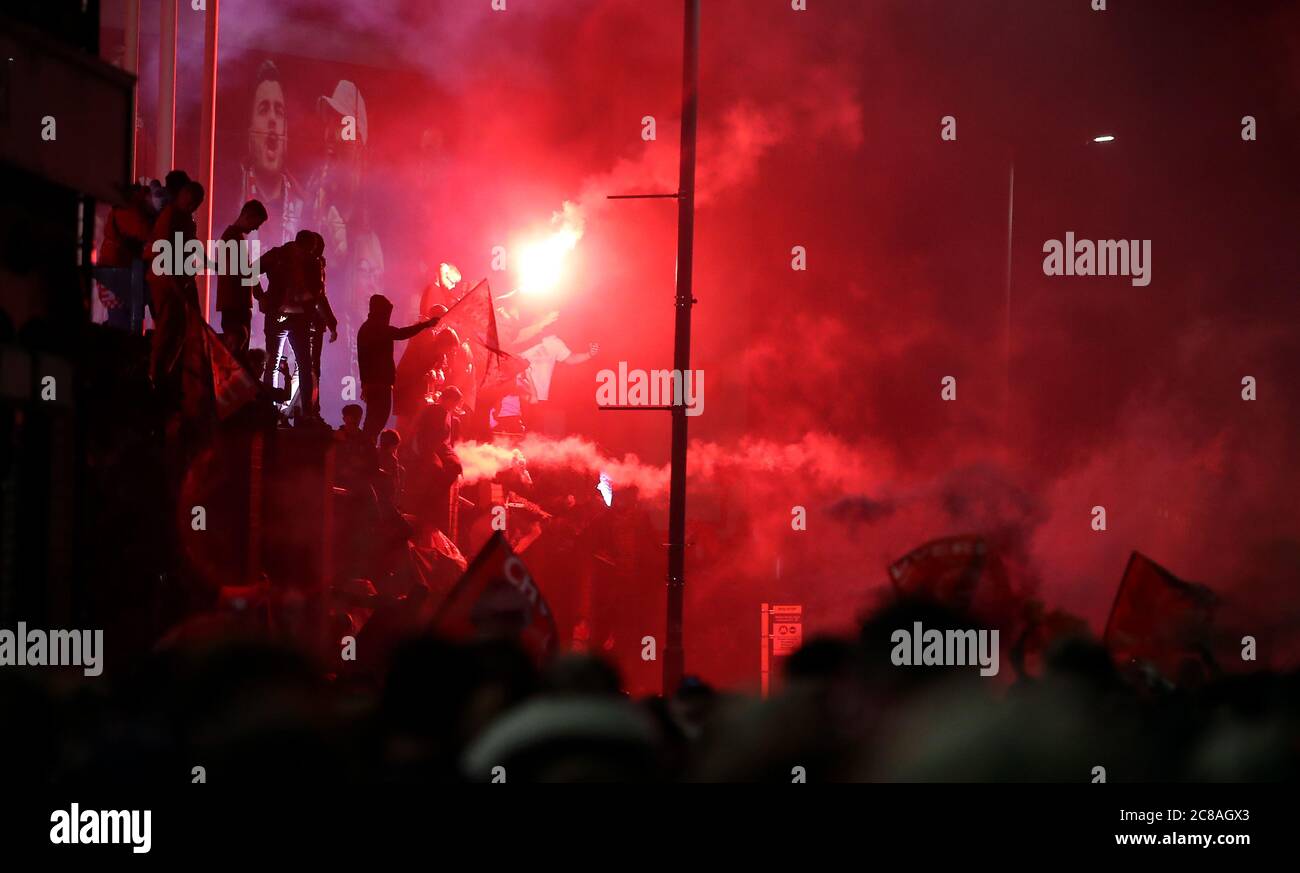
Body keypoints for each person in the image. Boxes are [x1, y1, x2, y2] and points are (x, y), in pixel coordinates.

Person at [357, 294, 439, 445]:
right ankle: (366, 453)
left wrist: (364, 383)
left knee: (373, 421)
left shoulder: (366, 328)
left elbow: (362, 359)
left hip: (374, 383)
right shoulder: (377, 328)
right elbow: (401, 333)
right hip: (380, 383)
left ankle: (367, 452)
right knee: (377, 421)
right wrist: (425, 325)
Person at [239, 60, 302, 249]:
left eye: (279, 111)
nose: (273, 120)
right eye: (264, 110)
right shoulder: (230, 193)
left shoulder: (303, 204)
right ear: (250, 132)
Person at [147, 179, 204, 386]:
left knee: (177, 330)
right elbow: (164, 254)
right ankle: (156, 376)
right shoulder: (171, 217)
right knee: (168, 329)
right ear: (182, 196)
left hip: (176, 282)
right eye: (191, 202)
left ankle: (163, 375)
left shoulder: (182, 217)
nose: (192, 206)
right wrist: (176, 285)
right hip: (167, 283)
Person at [214, 199, 269, 360]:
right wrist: (260, 295)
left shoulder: (232, 237)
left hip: (232, 303)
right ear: (248, 215)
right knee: (238, 355)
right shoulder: (233, 238)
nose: (256, 228)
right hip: (236, 304)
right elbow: (245, 271)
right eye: (256, 223)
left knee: (237, 352)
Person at [95, 184, 154, 333]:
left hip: (117, 271)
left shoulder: (124, 209)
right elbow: (146, 232)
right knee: (123, 325)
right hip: (120, 272)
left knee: (120, 319)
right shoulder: (129, 211)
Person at [411, 386, 464, 540]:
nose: (454, 407)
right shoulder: (433, 411)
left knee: (455, 466)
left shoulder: (448, 415)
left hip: (440, 449)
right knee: (437, 468)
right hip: (428, 448)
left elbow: (445, 441)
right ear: (447, 399)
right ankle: (429, 503)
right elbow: (424, 434)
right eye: (454, 403)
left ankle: (436, 499)